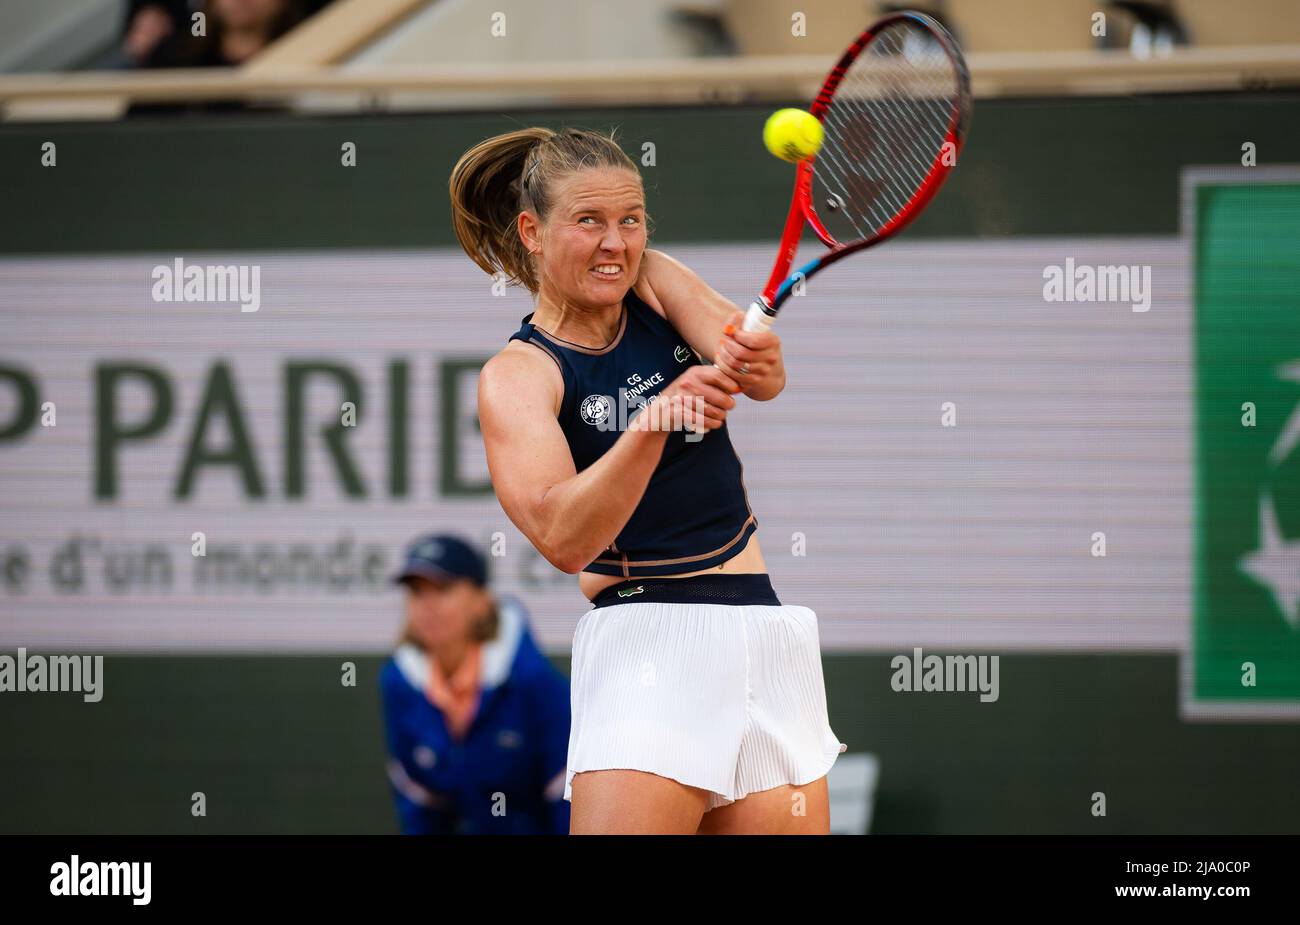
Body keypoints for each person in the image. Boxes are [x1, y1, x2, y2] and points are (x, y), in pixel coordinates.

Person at [451, 126, 846, 834]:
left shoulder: (656, 281)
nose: (617, 242)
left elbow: (766, 377)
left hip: (764, 633)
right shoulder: (516, 376)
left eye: (631, 219)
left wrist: (760, 360)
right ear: (532, 231)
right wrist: (654, 422)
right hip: (647, 648)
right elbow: (563, 534)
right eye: (591, 221)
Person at [379, 533, 571, 835]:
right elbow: (419, 805)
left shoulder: (536, 682)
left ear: (481, 601)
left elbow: (566, 803)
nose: (427, 605)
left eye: (443, 589)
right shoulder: (397, 684)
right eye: (416, 592)